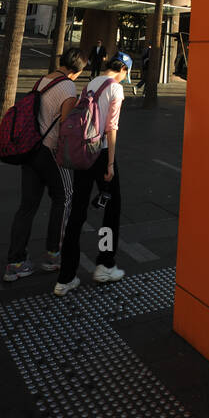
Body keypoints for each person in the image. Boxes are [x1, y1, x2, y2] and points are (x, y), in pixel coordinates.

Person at [3, 47, 86, 283]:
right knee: (66, 197)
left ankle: (15, 262)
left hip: (30, 150)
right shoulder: (68, 86)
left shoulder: (43, 80)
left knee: (27, 207)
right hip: (51, 151)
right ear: (77, 69)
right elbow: (66, 125)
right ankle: (53, 255)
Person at [55, 57, 129, 295]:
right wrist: (110, 164)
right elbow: (111, 127)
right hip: (101, 152)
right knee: (112, 208)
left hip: (82, 152)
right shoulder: (116, 88)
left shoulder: (90, 84)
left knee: (77, 212)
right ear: (123, 70)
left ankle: (65, 277)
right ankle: (105, 264)